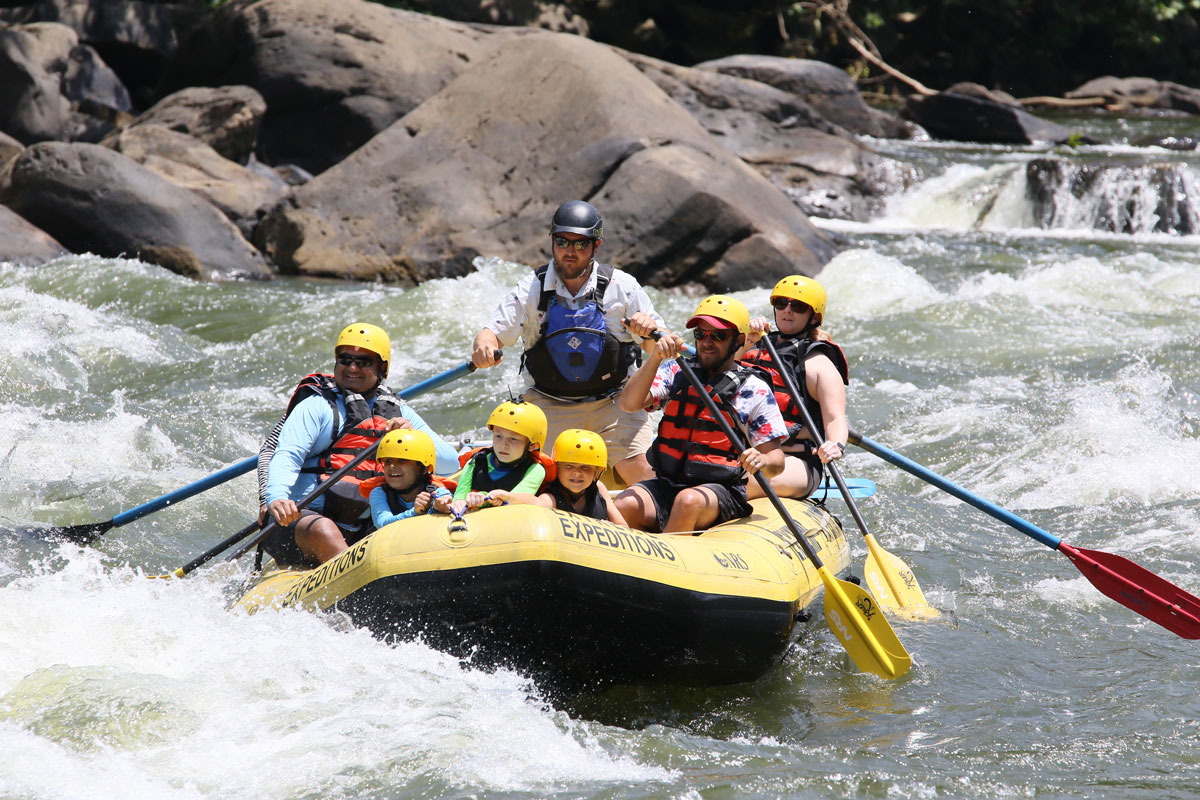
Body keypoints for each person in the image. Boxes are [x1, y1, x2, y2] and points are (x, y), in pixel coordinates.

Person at [470, 200, 665, 488]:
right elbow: (491, 333)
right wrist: (484, 347)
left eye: (580, 243)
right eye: (562, 241)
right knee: (538, 482)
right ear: (552, 241)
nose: (570, 250)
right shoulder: (531, 288)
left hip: (615, 402)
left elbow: (659, 345)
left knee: (641, 473)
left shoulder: (622, 287)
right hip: (548, 403)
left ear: (596, 246)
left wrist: (649, 332)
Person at [258, 322, 459, 565]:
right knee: (324, 530)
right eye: (345, 359)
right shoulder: (316, 406)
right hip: (302, 520)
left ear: (382, 368)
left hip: (365, 524)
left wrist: (413, 435)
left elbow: (450, 463)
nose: (352, 367)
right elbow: (287, 455)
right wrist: (276, 498)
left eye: (364, 361)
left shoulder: (398, 411)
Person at [614, 296, 789, 533]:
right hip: (668, 482)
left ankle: (669, 553)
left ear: (739, 340)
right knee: (625, 504)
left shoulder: (753, 389)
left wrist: (763, 461)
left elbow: (777, 461)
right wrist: (655, 357)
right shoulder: (677, 370)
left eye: (718, 336)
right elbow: (629, 404)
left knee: (687, 501)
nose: (707, 342)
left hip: (721, 491)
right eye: (700, 334)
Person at [738, 275, 849, 500]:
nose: (787, 311)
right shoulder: (755, 346)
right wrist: (745, 339)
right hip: (745, 453)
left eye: (798, 306)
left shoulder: (819, 364)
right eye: (781, 303)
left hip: (795, 461)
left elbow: (835, 419)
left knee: (740, 484)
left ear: (813, 316)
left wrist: (835, 445)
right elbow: (718, 378)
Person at [488, 428, 627, 525]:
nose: (577, 473)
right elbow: (537, 502)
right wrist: (509, 497)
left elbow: (622, 525)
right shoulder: (552, 496)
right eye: (569, 466)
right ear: (557, 468)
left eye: (585, 467)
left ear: (596, 472)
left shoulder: (599, 488)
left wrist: (610, 529)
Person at [450, 400, 552, 514]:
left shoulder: (535, 470)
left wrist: (484, 498)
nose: (503, 445)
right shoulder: (476, 461)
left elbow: (514, 499)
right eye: (498, 436)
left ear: (532, 446)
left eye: (513, 439)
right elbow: (460, 496)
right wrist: (458, 502)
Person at [358, 429, 454, 529]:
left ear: (425, 468)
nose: (392, 466)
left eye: (402, 460)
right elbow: (382, 524)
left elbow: (446, 499)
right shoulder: (379, 493)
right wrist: (415, 512)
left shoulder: (437, 491)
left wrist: (440, 506)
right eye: (388, 461)